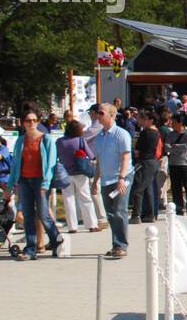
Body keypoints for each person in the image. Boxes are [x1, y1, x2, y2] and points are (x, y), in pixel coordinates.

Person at [6, 107, 62, 260]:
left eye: (34, 120)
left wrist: (46, 183)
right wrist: (10, 185)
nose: (31, 123)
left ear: (38, 122)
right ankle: (30, 248)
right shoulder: (20, 140)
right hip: (24, 180)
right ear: (23, 123)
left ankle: (56, 238)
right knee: (28, 215)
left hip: (41, 181)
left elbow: (51, 163)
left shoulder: (46, 139)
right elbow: (15, 163)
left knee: (43, 214)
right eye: (28, 120)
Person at [93, 104, 133, 258]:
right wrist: (95, 180)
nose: (98, 115)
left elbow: (125, 157)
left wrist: (122, 178)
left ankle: (121, 245)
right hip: (106, 179)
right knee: (110, 213)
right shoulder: (100, 136)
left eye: (101, 113)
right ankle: (116, 244)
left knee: (119, 210)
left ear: (111, 115)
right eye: (97, 112)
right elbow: (99, 160)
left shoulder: (121, 134)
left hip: (121, 177)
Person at [57, 119, 101, 233]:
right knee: (85, 198)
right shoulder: (79, 140)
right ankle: (92, 224)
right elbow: (90, 155)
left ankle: (72, 226)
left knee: (68, 199)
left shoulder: (59, 141)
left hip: (65, 173)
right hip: (80, 172)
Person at [130, 110, 162, 224]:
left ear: (150, 120)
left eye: (143, 119)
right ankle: (149, 214)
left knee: (138, 189)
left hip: (145, 161)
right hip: (153, 161)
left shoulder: (145, 132)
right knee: (148, 188)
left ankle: (136, 215)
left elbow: (138, 147)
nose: (140, 121)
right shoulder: (156, 132)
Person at [167, 113, 187, 216]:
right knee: (176, 188)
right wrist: (175, 147)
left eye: (174, 122)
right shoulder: (170, 134)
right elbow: (166, 147)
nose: (172, 124)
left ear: (180, 123)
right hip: (173, 164)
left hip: (186, 164)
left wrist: (174, 147)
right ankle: (179, 210)